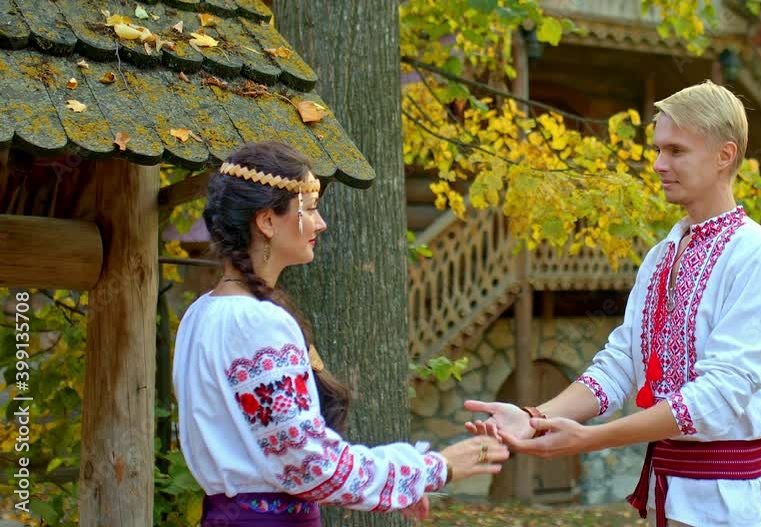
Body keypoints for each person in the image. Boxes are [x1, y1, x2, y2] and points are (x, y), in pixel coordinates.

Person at [465, 81, 761, 527]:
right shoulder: (661, 255)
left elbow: (719, 395)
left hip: (731, 504)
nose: (659, 164)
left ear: (725, 155)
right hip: (670, 496)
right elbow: (622, 363)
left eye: (676, 150)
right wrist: (536, 416)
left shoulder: (759, 255)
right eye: (659, 149)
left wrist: (591, 439)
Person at [173, 141, 509, 526]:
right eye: (309, 208)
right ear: (266, 221)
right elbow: (311, 465)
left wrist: (399, 485)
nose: (321, 223)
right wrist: (434, 469)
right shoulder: (258, 323)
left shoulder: (200, 315)